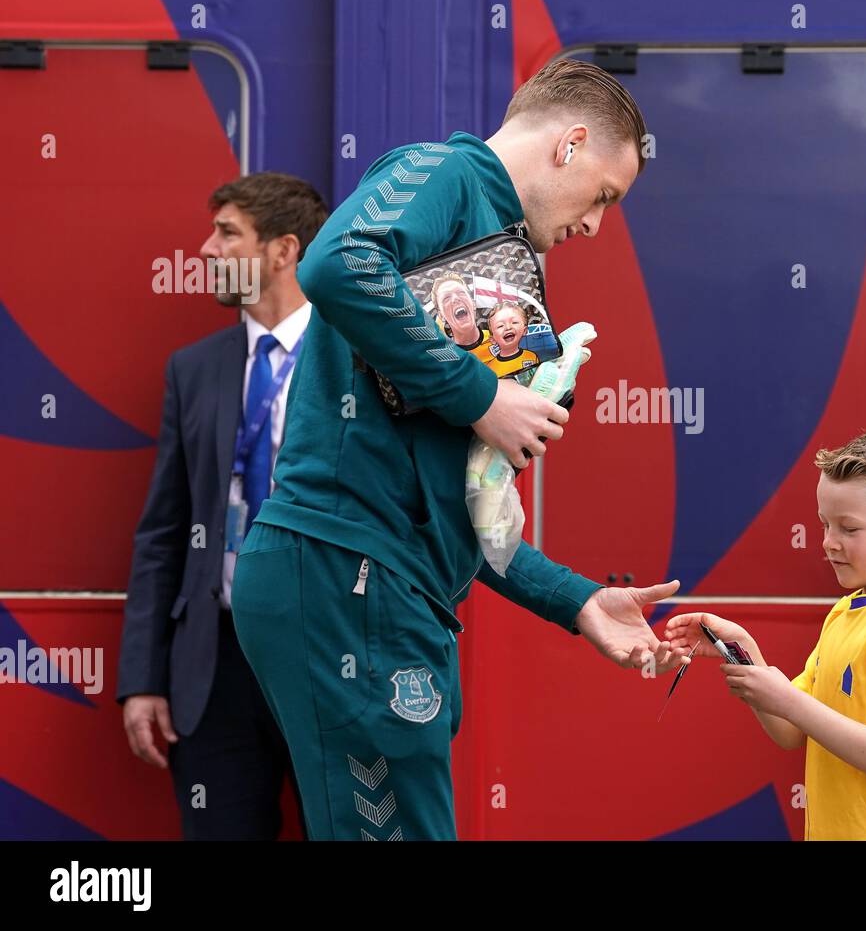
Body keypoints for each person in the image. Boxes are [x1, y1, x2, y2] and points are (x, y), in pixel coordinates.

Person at [230, 59, 687, 841]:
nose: (596, 226)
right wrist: (483, 397)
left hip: (388, 592)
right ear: (570, 144)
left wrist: (576, 600)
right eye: (605, 196)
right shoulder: (442, 171)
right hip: (351, 578)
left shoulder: (506, 259)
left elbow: (468, 505)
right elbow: (335, 262)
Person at [117, 173, 328, 839]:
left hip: (328, 657)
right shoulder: (195, 368)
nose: (206, 250)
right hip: (217, 667)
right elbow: (164, 532)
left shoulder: (355, 359)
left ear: (283, 250)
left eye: (227, 233)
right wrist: (142, 678)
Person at [666, 430, 866, 840]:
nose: (829, 542)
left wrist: (788, 700)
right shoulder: (844, 613)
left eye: (849, 529)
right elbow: (791, 731)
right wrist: (744, 654)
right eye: (825, 524)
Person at [483, 303, 540, 377]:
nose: (508, 327)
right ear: (493, 339)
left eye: (514, 322)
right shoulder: (490, 368)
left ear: (525, 330)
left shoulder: (531, 356)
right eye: (500, 326)